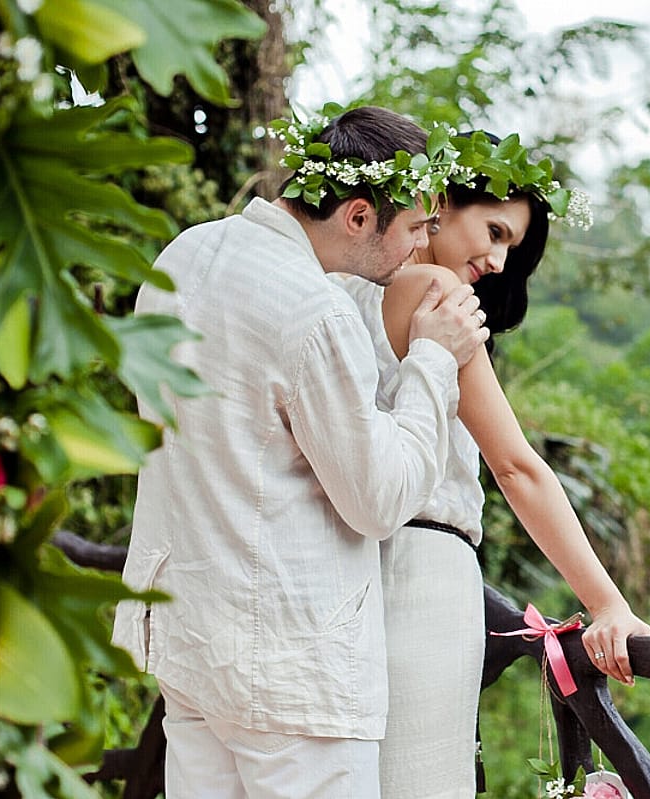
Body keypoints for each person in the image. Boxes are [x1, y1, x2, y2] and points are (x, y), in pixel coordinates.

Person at [111, 105, 491, 799]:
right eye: (412, 228)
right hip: (294, 669)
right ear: (355, 215)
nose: (418, 249)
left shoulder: (184, 255)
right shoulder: (315, 312)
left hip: (189, 643)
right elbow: (379, 499)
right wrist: (433, 359)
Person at [337, 133, 650, 798]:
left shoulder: (335, 288)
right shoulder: (435, 292)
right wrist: (607, 602)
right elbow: (515, 467)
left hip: (340, 563)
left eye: (512, 246)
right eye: (495, 230)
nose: (499, 257)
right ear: (440, 201)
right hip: (424, 569)